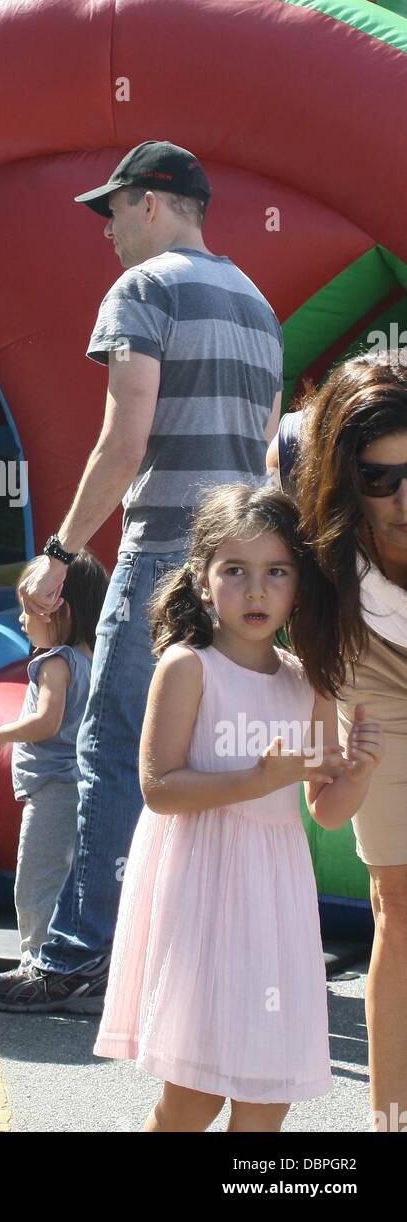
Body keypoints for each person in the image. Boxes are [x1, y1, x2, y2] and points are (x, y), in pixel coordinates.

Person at [0, 140, 284, 1013]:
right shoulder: (257, 302)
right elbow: (260, 451)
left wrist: (62, 552)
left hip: (161, 557)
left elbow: (125, 442)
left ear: (151, 201)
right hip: (239, 561)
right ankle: (192, 956)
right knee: (203, 756)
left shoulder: (143, 290)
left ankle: (77, 957)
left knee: (113, 749)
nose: (106, 230)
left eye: (112, 210)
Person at [94, 482, 382, 1131]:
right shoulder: (187, 668)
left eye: (276, 571)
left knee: (267, 1094)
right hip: (203, 896)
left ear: (299, 583)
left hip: (275, 902)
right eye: (236, 572)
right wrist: (257, 777)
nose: (257, 591)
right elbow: (159, 787)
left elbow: (325, 809)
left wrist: (357, 776)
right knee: (193, 1095)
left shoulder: (308, 683)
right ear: (201, 581)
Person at [286, 350, 407, 1130]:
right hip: (375, 676)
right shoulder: (320, 565)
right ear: (342, 475)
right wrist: (334, 772)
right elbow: (321, 803)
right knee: (398, 906)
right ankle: (391, 1121)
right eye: (378, 478)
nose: (402, 496)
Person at [0, 551, 108, 985]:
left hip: (54, 789)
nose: (21, 620)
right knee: (68, 880)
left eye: (28, 610)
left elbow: (47, 720)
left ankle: (37, 964)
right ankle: (70, 960)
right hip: (81, 787)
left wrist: (1, 734)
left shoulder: (56, 662)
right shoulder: (93, 659)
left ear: (59, 611)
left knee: (35, 880)